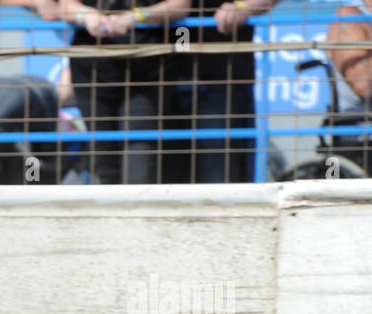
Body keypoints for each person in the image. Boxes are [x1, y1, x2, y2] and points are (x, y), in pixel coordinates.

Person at [58, 0, 187, 184]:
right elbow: (61, 7)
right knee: (104, 163)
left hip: (148, 69)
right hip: (92, 70)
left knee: (139, 157)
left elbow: (182, 6)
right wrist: (86, 15)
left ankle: (136, 210)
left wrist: (136, 16)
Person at [170, 0, 283, 184]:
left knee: (220, 177)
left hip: (222, 77)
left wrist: (242, 7)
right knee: (159, 177)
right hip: (154, 77)